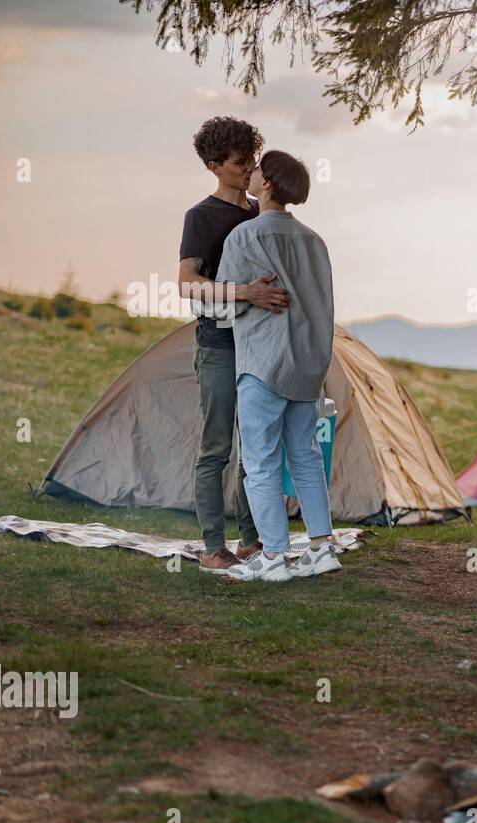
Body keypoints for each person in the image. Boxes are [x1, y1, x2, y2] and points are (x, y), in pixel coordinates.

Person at [215, 149, 341, 582]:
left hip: (264, 362)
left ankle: (273, 557)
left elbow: (222, 307)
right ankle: (322, 547)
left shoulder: (245, 238)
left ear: (267, 183)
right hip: (307, 366)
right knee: (305, 458)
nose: (249, 176)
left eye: (256, 172)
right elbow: (324, 308)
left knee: (261, 461)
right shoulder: (315, 242)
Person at [178, 116, 290, 574]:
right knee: (216, 449)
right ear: (213, 166)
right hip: (219, 346)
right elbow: (187, 284)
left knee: (258, 448)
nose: (250, 170)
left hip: (260, 345)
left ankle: (251, 541)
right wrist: (245, 292)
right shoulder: (200, 217)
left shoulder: (259, 212)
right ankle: (212, 548)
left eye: (252, 162)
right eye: (241, 163)